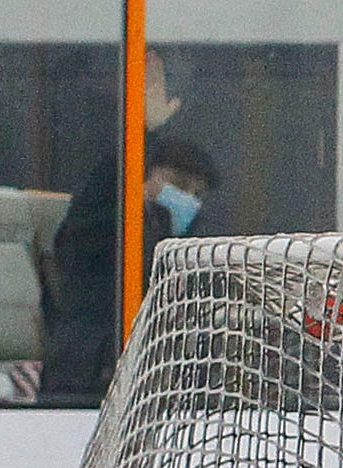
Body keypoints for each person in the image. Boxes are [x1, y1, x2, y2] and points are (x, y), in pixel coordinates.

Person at [40, 51, 221, 399]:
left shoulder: (189, 249)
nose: (187, 198)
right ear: (141, 175)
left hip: (153, 388)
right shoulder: (101, 227)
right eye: (178, 183)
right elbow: (101, 196)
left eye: (197, 193)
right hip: (82, 379)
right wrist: (143, 132)